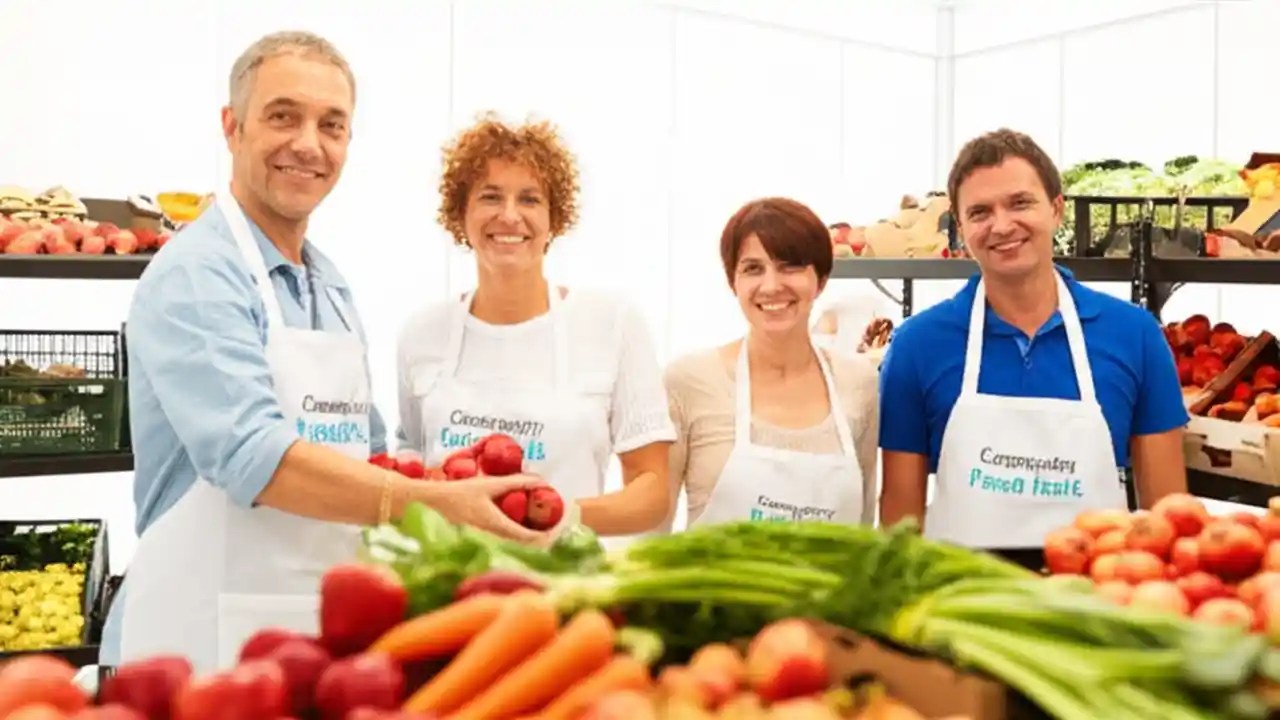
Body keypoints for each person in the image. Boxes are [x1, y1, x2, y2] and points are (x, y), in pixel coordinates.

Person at [104, 33, 545, 673]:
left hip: (302, 628)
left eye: (331, 125)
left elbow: (362, 453)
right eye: (284, 116)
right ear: (232, 126)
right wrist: (431, 503)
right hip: (195, 645)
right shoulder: (198, 274)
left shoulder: (328, 284)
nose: (309, 144)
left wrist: (456, 477)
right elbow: (254, 457)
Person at [877, 128, 1189, 551]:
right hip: (960, 604)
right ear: (961, 227)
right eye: (980, 212)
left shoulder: (1135, 336)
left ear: (1057, 210)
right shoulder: (917, 345)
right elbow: (900, 523)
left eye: (1020, 203)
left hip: (1094, 603)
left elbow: (1169, 518)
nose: (1002, 225)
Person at [395, 114, 676, 536]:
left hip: (561, 582)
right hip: (449, 580)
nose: (510, 216)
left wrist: (546, 517)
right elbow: (412, 464)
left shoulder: (612, 323)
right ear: (461, 214)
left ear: (553, 219)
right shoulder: (422, 333)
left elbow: (652, 491)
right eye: (490, 197)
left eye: (529, 199)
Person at [661, 198, 879, 530]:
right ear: (733, 283)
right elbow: (651, 532)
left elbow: (864, 526)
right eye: (752, 268)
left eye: (790, 266)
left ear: (820, 280)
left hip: (833, 584)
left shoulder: (859, 382)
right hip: (716, 583)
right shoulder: (689, 380)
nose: (772, 285)